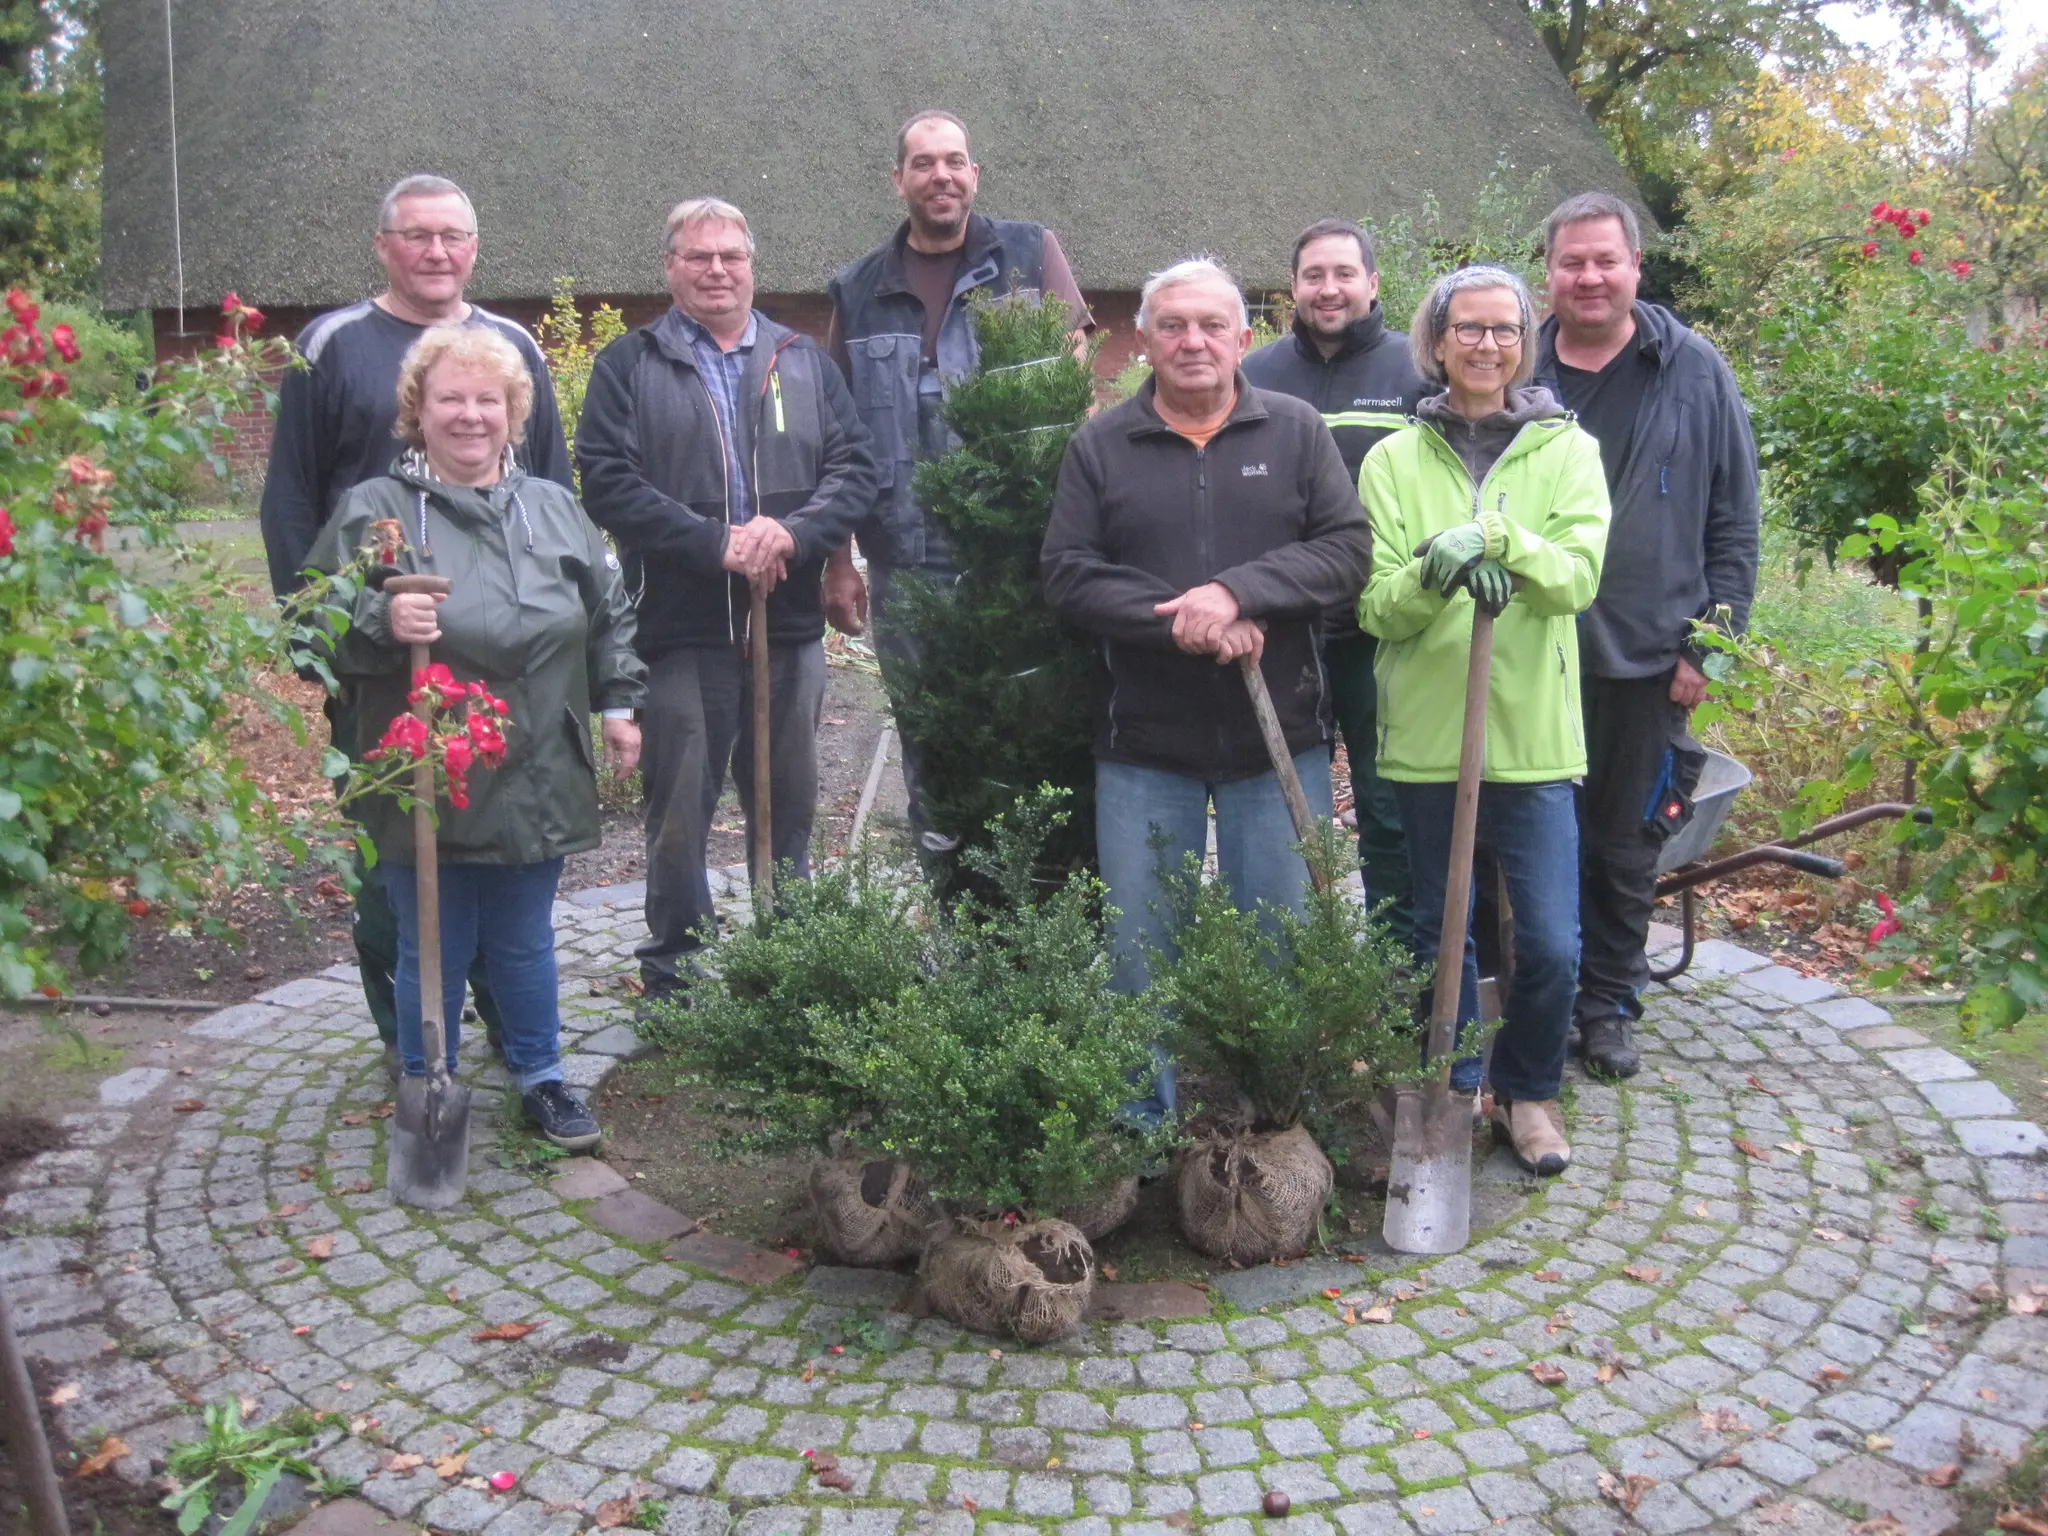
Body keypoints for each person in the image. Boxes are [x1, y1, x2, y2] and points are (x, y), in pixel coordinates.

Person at [258, 173, 576, 1076]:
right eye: (417, 235)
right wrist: (323, 641)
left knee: (507, 851)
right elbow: (291, 507)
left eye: (453, 236)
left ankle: (518, 1037)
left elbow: (547, 491)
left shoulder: (509, 347)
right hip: (384, 657)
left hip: (506, 664)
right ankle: (414, 1050)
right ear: (383, 245)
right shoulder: (333, 346)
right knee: (394, 876)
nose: (437, 252)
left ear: (475, 247)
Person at [1042, 257, 1370, 1119]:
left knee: (1277, 942)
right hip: (1145, 743)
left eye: (1212, 325)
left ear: (1244, 339)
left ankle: (1274, 1117)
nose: (1194, 341)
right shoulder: (1101, 445)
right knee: (1140, 952)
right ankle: (1137, 1125)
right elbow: (1069, 576)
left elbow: (1347, 552)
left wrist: (1241, 591)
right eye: (1174, 326)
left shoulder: (1296, 431)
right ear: (1144, 339)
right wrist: (1182, 617)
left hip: (1277, 738)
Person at [306, 324, 645, 1149]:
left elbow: (608, 615)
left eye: (487, 400)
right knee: (436, 936)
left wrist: (616, 702)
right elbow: (312, 629)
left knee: (526, 936)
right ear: (417, 412)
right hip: (428, 767)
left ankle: (542, 1077)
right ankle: (429, 1081)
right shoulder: (375, 514)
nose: (470, 416)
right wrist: (381, 619)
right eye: (449, 399)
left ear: (515, 412)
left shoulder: (555, 509)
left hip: (538, 759)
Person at [577, 198, 877, 1006]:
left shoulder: (800, 359)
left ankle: (791, 965)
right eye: (698, 257)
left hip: (788, 630)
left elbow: (855, 470)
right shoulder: (629, 366)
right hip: (681, 631)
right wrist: (715, 545)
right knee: (679, 813)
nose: (717, 270)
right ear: (670, 267)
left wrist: (792, 533)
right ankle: (676, 975)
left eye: (731, 257)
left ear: (752, 264)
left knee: (789, 810)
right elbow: (607, 481)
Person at [1359, 266, 1609, 1176]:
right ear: (1436, 341)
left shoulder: (1566, 451)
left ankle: (1530, 1092)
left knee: (1547, 936)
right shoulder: (1391, 461)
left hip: (1535, 730)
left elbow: (1578, 577)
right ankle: (1457, 1086)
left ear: (1523, 343)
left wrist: (1502, 540)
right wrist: (1435, 570)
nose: (1487, 345)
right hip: (1430, 732)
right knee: (1443, 930)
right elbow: (1378, 607)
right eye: (1468, 328)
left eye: (1505, 329)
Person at [1530, 192, 1760, 1080]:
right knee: (1531, 838)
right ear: (1547, 272)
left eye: (1605, 260)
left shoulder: (1693, 369)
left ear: (1635, 266)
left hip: (1646, 657)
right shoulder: (1519, 367)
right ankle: (1529, 988)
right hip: (1531, 653)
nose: (1588, 277)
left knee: (1625, 845)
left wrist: (1709, 645)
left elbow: (1735, 525)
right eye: (1571, 262)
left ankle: (1609, 1005)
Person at [825, 110, 1093, 852]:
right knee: (931, 737)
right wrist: (837, 557)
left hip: (1018, 552)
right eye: (923, 163)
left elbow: (1074, 386)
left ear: (974, 173)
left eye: (954, 161)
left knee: (1029, 730)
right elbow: (839, 439)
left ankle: (1037, 909)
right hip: (907, 564)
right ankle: (956, 908)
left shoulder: (1029, 255)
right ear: (899, 180)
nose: (940, 175)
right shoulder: (858, 290)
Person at [1242, 217, 1425, 948]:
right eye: (1314, 275)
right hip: (1286, 629)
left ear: (1373, 283)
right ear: (1293, 286)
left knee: (1387, 806)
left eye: (1344, 274)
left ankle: (1398, 966)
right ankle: (1295, 970)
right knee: (1286, 805)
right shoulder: (1254, 374)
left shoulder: (1415, 372)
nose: (1329, 289)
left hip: (1384, 631)